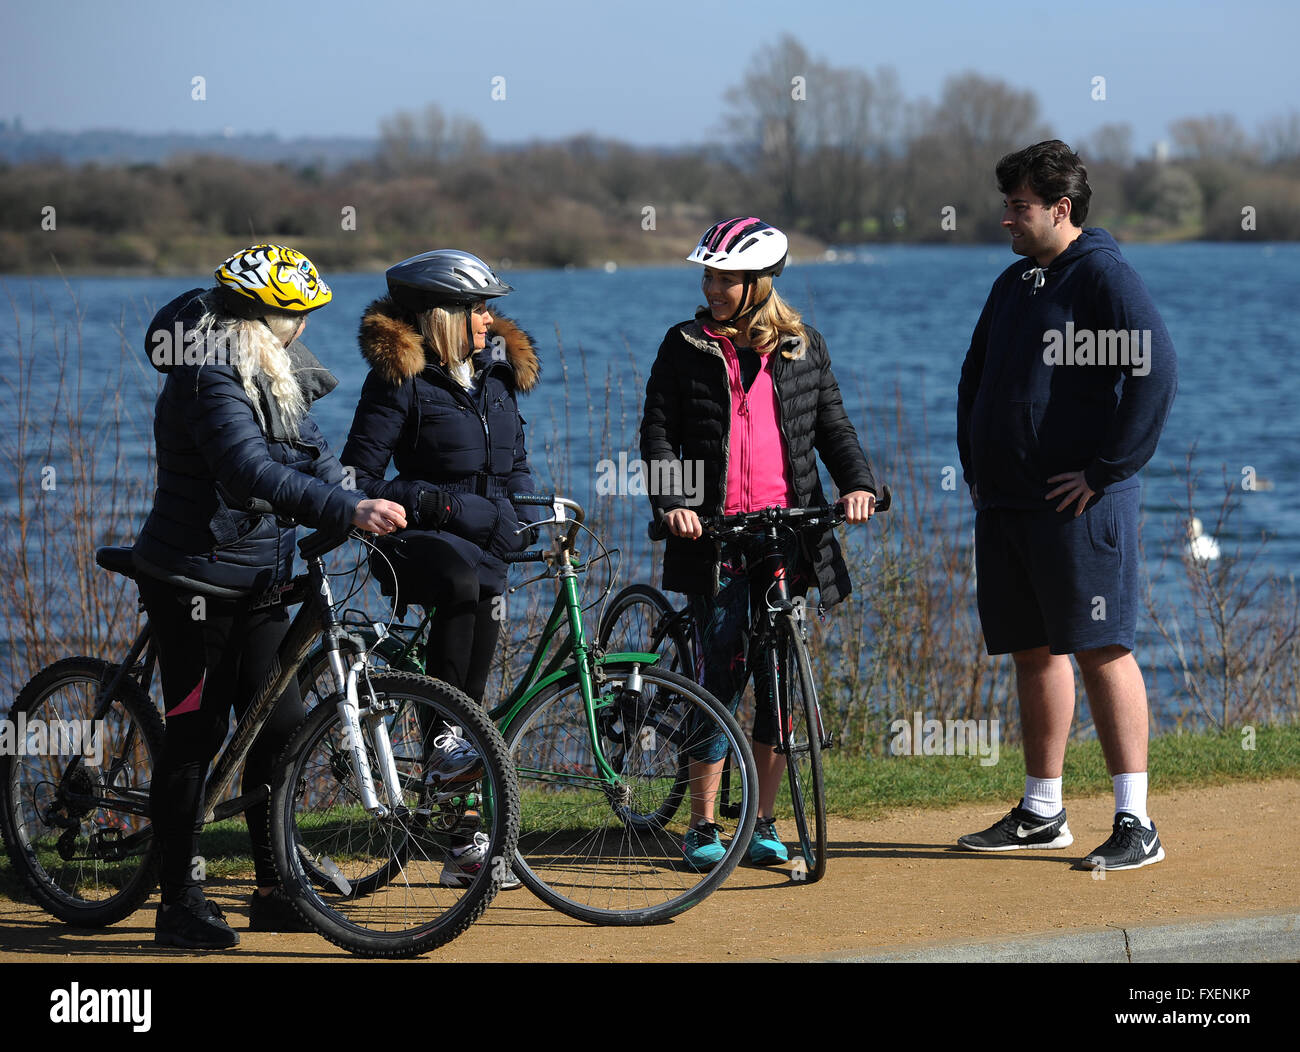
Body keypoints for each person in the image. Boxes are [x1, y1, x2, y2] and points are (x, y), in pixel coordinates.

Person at [134, 244, 407, 949]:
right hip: (192, 577)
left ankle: (271, 886)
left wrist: (358, 498)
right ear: (264, 316)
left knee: (280, 727)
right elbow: (245, 469)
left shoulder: (274, 365)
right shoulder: (207, 370)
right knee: (196, 735)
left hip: (258, 578)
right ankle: (177, 900)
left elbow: (310, 453)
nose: (307, 329)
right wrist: (341, 512)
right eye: (300, 317)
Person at [956, 140, 1178, 871]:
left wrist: (1105, 469)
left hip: (1080, 507)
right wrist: (978, 468)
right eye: (1007, 206)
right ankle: (1043, 812)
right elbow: (976, 376)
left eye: (1018, 207)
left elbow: (1156, 367)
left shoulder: (1103, 276)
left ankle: (1135, 821)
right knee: (1033, 651)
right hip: (1010, 505)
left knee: (1103, 648)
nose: (1006, 220)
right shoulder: (1017, 280)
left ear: (1061, 208)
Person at [641, 217, 878, 870]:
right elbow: (657, 433)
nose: (713, 287)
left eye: (726, 278)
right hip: (716, 540)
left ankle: (766, 819)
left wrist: (858, 485)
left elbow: (834, 427)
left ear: (759, 284)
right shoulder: (685, 345)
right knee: (718, 681)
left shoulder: (802, 347)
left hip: (790, 540)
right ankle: (702, 824)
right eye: (709, 276)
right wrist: (676, 505)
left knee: (780, 687)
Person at [341, 249, 539, 887]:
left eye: (489, 309)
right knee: (458, 587)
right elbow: (358, 479)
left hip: (486, 548)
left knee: (465, 699)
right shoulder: (399, 381)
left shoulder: (498, 378)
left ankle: (461, 845)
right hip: (413, 541)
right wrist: (439, 501)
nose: (489, 321)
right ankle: (449, 748)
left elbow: (516, 468)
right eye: (478, 309)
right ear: (441, 316)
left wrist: (535, 516)